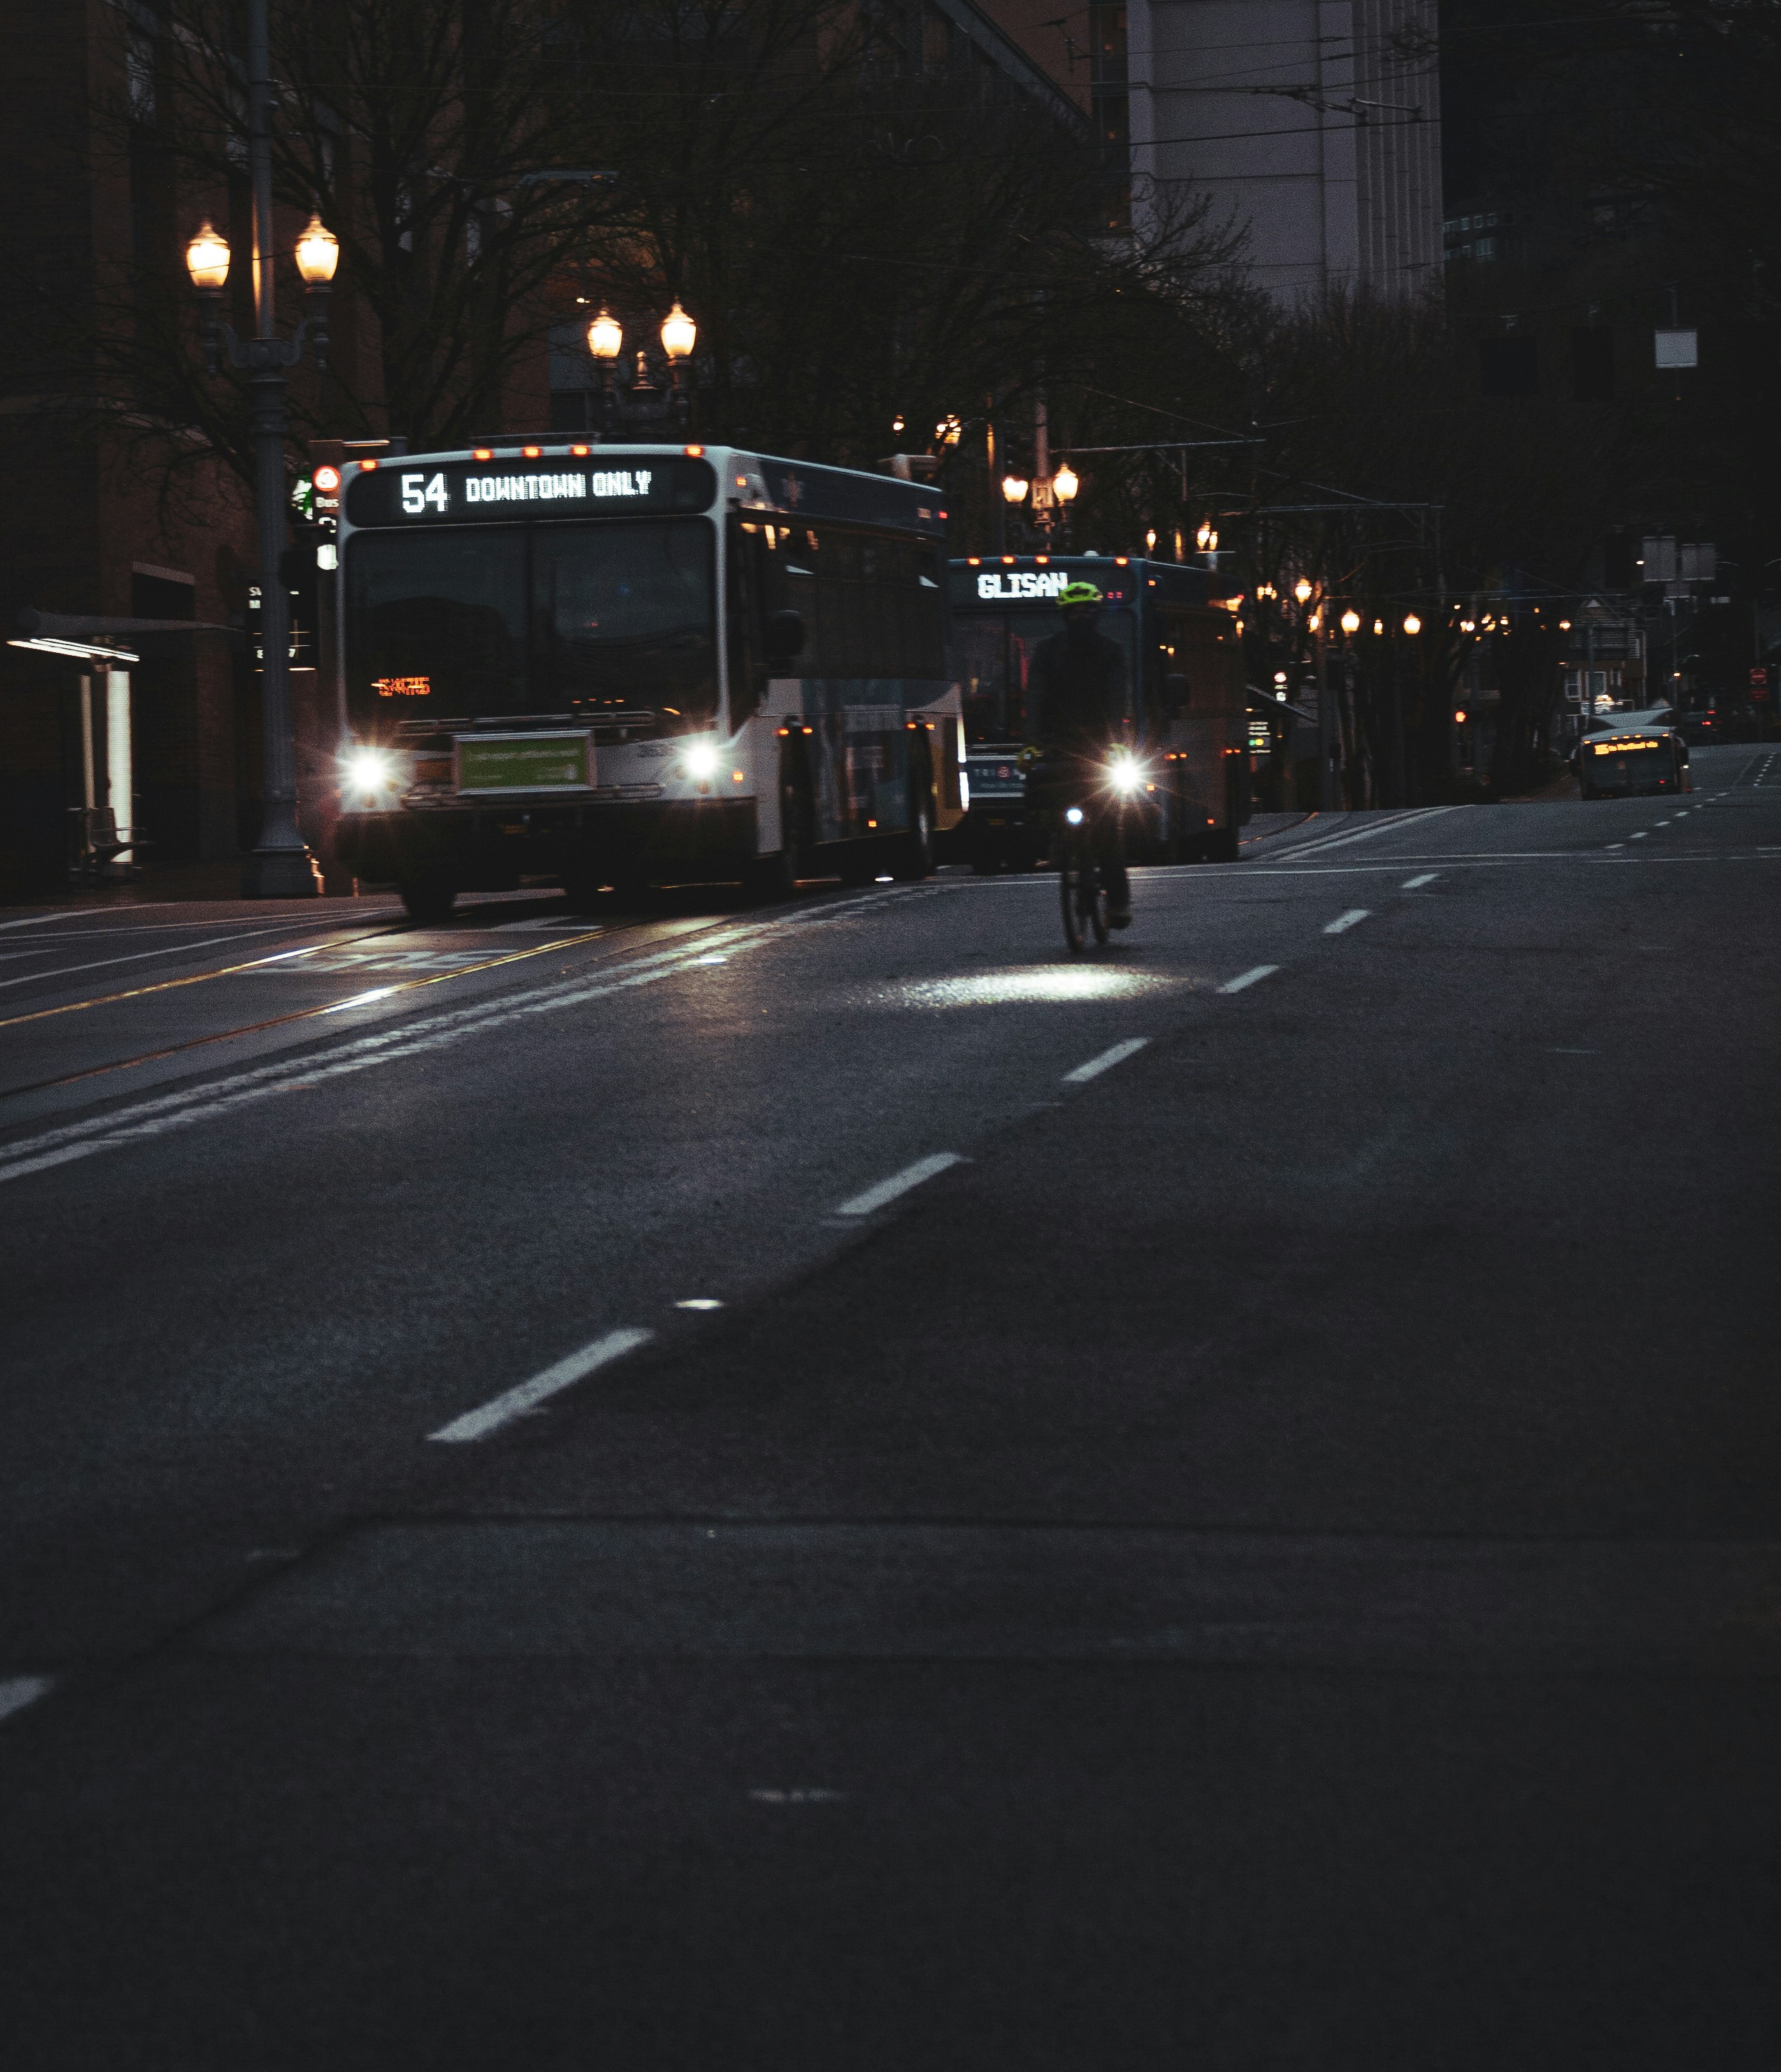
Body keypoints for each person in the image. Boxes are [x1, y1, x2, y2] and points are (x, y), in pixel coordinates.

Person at [1024, 580, 1132, 926]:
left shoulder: (1111, 652)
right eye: (1076, 611)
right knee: (1047, 802)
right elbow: (1035, 699)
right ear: (1065, 614)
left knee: (1108, 831)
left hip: (1100, 748)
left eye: (1088, 610)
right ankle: (1059, 846)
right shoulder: (1047, 653)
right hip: (1059, 745)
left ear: (1097, 614)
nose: (1082, 616)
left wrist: (1116, 740)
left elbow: (1118, 699)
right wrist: (1031, 742)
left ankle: (1117, 903)